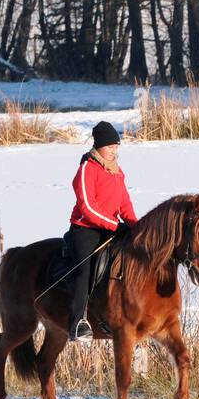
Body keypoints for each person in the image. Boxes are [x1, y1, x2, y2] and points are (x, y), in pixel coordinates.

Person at [64, 120, 137, 340]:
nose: (114, 151)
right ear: (99, 147)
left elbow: (124, 201)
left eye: (117, 147)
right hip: (85, 229)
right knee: (84, 269)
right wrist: (115, 225)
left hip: (111, 228)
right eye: (110, 147)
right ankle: (78, 323)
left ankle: (115, 314)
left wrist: (134, 225)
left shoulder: (117, 171)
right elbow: (87, 207)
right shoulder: (87, 168)